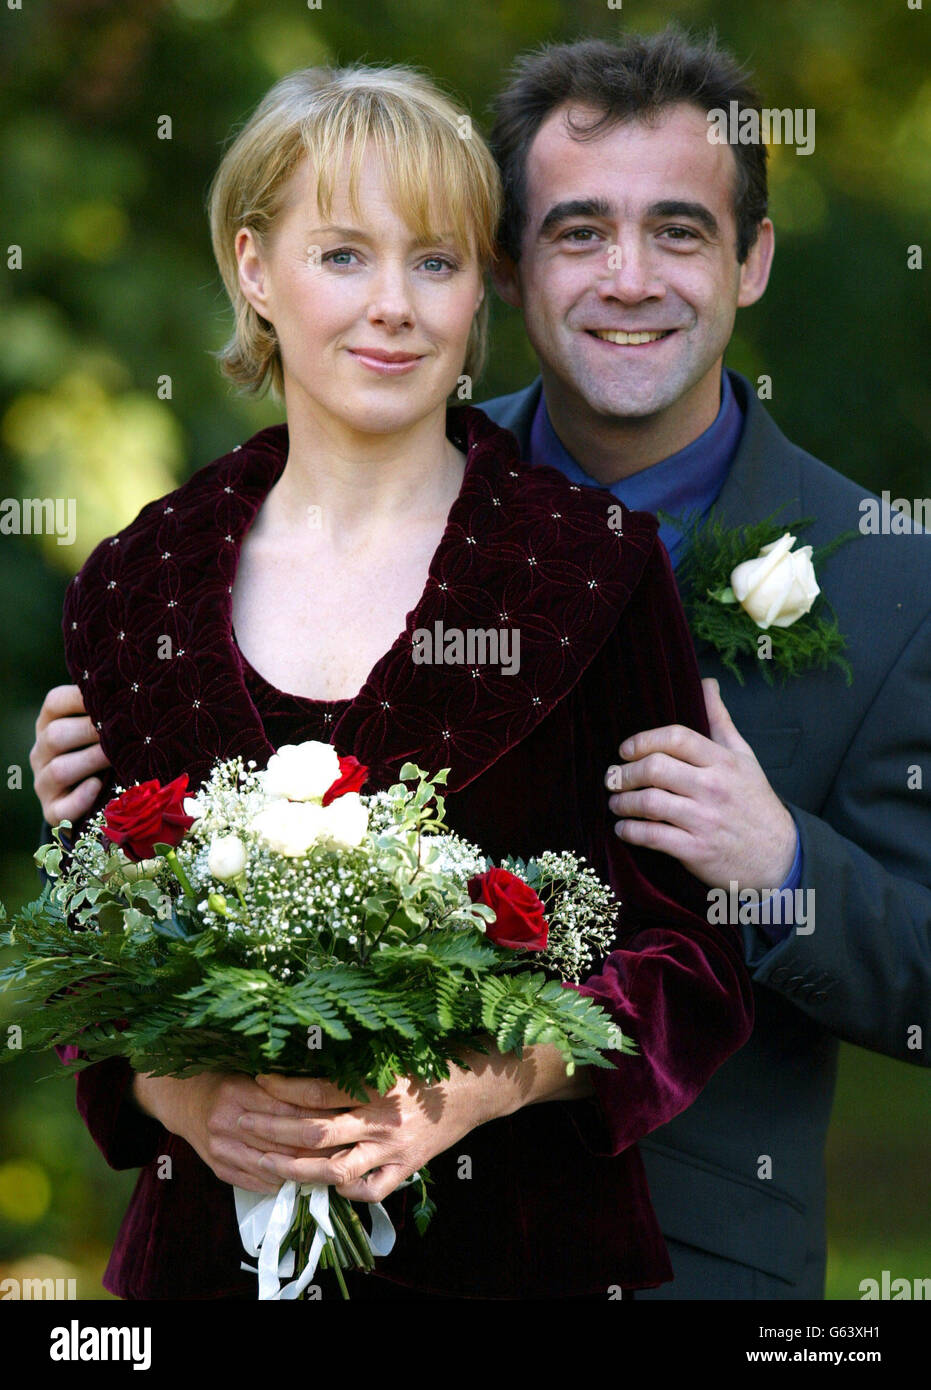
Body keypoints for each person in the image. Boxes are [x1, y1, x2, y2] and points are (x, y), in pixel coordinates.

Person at [34, 28, 931, 1301]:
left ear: (752, 258)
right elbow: (94, 936)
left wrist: (779, 867)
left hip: (658, 1264)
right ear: (515, 271)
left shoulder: (877, 579)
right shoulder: (176, 562)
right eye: (578, 233)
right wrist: (171, 1061)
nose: (627, 278)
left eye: (678, 231)